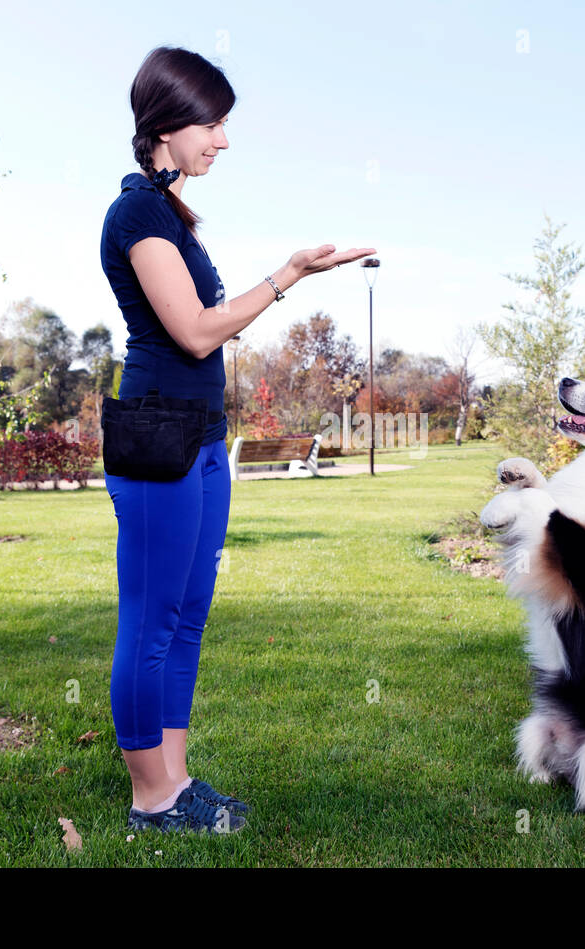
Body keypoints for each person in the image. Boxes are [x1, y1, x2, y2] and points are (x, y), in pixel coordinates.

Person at [100, 46, 376, 834]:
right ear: (167, 123)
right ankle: (149, 797)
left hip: (203, 439)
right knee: (150, 619)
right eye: (213, 123)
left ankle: (177, 782)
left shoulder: (173, 211)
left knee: (187, 615)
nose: (222, 140)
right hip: (159, 440)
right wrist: (287, 275)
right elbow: (192, 332)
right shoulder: (136, 214)